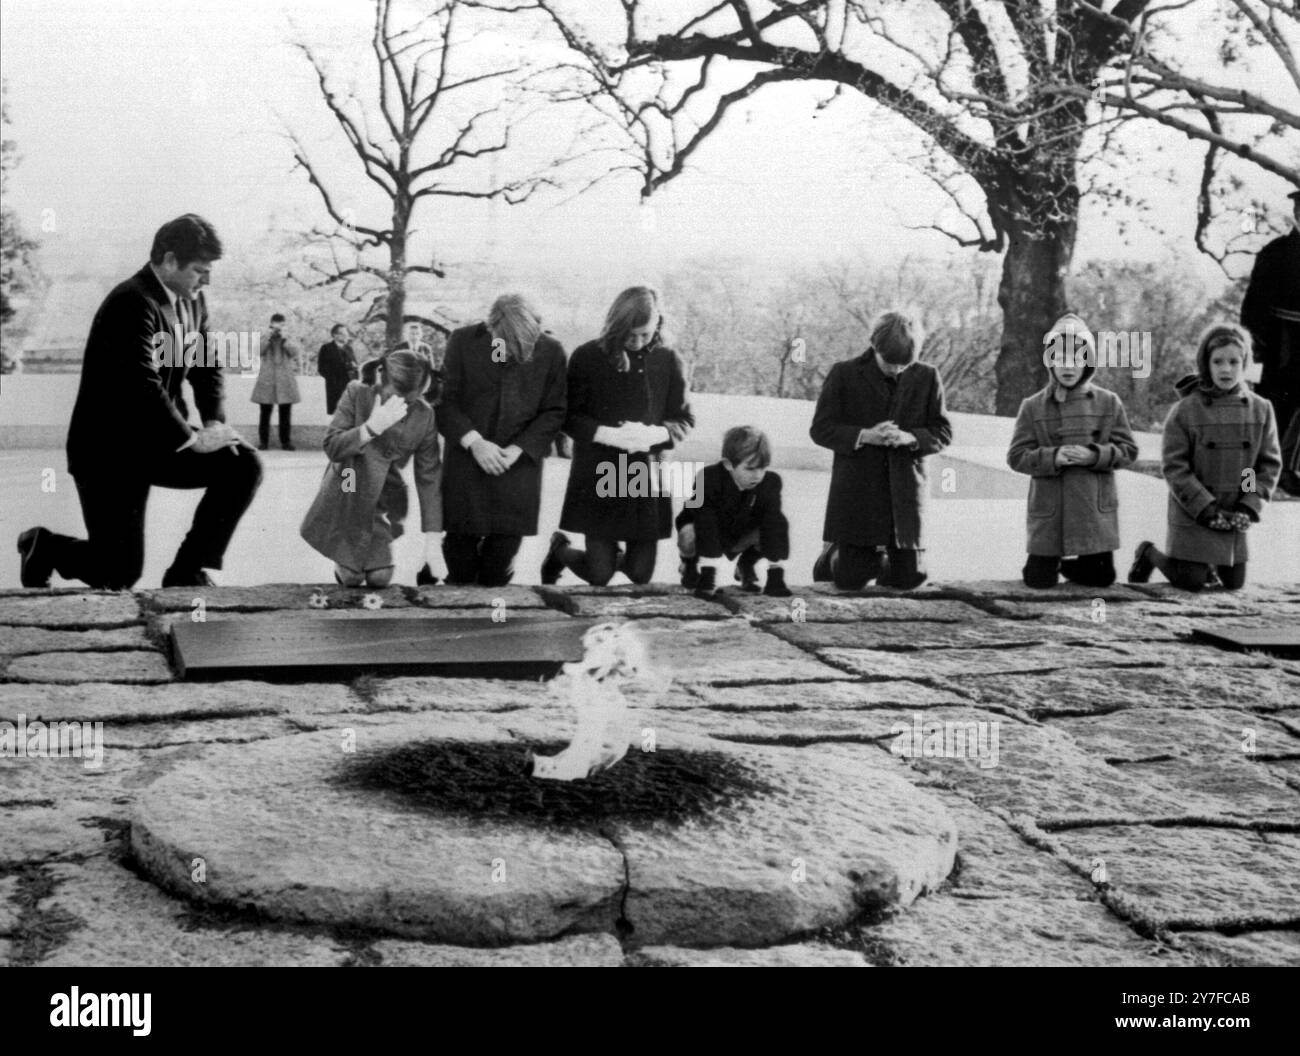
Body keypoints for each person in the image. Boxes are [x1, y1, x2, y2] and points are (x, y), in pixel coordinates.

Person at [17, 214, 262, 589]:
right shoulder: (130, 302)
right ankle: (44, 546)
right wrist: (193, 439)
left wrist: (213, 422)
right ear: (168, 260)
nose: (207, 280)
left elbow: (206, 365)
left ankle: (186, 573)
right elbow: (141, 384)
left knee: (242, 464)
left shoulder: (193, 301)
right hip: (108, 453)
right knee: (119, 572)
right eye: (199, 270)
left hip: (158, 442)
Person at [542, 286, 694, 586]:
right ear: (615, 326)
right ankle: (560, 551)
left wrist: (656, 433)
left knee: (639, 575)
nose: (637, 342)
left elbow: (684, 419)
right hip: (599, 472)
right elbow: (568, 416)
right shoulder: (587, 356)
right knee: (600, 575)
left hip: (645, 475)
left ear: (657, 326)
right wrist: (608, 435)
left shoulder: (669, 360)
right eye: (630, 335)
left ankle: (610, 555)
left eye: (645, 335)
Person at [1129, 323, 1281, 592]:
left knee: (1234, 583)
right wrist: (1205, 508)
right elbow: (1176, 467)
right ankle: (1148, 553)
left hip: (1233, 511)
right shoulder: (1186, 410)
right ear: (1206, 364)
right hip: (1194, 510)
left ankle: (1211, 563)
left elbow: (1260, 465)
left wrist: (1247, 505)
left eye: (1234, 361)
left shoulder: (1260, 409)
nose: (1226, 369)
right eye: (1218, 361)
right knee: (1191, 582)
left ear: (1244, 363)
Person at [810, 310, 952, 590]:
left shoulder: (927, 376)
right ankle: (833, 554)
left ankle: (890, 559)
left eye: (904, 364)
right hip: (859, 491)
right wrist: (865, 435)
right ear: (874, 345)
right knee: (850, 580)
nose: (897, 370)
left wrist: (910, 438)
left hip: (905, 493)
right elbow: (821, 429)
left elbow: (943, 432)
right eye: (890, 363)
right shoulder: (844, 373)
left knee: (911, 578)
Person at [436, 294, 567, 586]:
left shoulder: (552, 350)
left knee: (496, 572)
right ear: (490, 327)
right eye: (503, 344)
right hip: (468, 461)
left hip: (517, 467)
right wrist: (474, 442)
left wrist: (520, 448)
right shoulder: (462, 341)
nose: (509, 353)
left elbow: (555, 411)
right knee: (461, 569)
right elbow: (445, 403)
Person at [1007, 313, 1138, 588]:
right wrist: (1052, 457)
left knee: (1101, 579)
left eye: (1077, 358)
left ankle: (1070, 564)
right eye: (1060, 358)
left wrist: (1095, 455)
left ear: (1088, 361)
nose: (1068, 367)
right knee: (1038, 581)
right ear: (1050, 361)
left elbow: (1128, 450)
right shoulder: (1032, 405)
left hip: (1092, 507)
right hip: (1051, 507)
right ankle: (1048, 561)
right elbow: (1016, 456)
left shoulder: (1108, 402)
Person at [300, 349, 442, 587]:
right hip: (347, 490)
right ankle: (345, 565)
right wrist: (371, 428)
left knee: (379, 579)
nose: (403, 405)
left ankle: (366, 560)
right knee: (352, 578)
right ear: (382, 379)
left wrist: (433, 539)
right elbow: (333, 447)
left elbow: (430, 478)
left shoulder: (424, 415)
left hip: (384, 501)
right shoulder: (357, 392)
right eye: (396, 396)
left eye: (410, 400)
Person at [677, 425, 791, 598]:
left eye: (763, 467)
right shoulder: (707, 478)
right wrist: (709, 577)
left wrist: (776, 575)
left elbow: (774, 523)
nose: (758, 475)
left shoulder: (771, 482)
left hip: (740, 531)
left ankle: (746, 564)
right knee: (688, 533)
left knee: (777, 524)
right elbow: (705, 522)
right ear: (728, 464)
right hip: (703, 530)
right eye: (750, 468)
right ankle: (689, 565)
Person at [1241, 189, 1300, 492]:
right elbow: (1253, 307)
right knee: (1269, 413)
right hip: (1281, 346)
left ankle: (1288, 473)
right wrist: (1257, 348)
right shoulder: (1276, 252)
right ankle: (1249, 482)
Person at [251, 312, 302, 450]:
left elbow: (295, 352)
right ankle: (263, 441)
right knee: (265, 412)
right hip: (267, 379)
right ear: (271, 324)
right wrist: (268, 336)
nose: (278, 328)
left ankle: (286, 442)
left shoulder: (289, 337)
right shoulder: (264, 335)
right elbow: (257, 351)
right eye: (276, 324)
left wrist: (285, 339)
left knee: (285, 412)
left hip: (285, 378)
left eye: (281, 325)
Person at [317, 323, 359, 415]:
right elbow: (321, 368)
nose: (347, 336)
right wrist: (332, 379)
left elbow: (355, 364)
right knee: (335, 413)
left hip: (350, 384)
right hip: (334, 386)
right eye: (344, 334)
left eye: (347, 334)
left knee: (350, 412)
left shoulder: (349, 348)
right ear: (335, 335)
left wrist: (354, 367)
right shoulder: (326, 348)